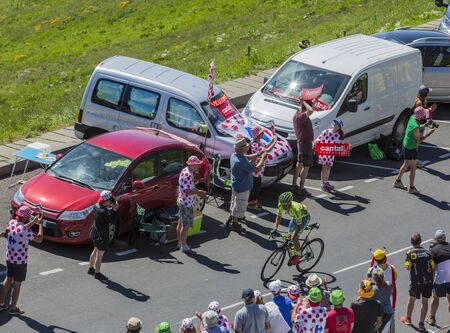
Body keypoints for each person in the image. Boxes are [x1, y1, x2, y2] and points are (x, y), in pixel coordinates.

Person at [0, 205, 43, 315]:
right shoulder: (25, 230)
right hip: (20, 262)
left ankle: (1, 304)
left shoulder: (12, 223)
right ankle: (13, 308)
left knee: (8, 279)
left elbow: (22, 228)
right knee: (17, 284)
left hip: (9, 258)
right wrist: (40, 225)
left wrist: (33, 222)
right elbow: (39, 239)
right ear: (26, 217)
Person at [393, 106, 436, 194]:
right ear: (421, 117)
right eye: (424, 115)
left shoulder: (413, 117)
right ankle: (411, 188)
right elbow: (418, 141)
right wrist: (429, 134)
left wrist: (426, 125)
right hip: (410, 148)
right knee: (413, 167)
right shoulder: (416, 129)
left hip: (405, 145)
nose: (425, 117)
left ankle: (397, 182)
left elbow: (418, 124)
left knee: (405, 164)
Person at [228, 137, 267, 231]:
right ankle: (235, 223)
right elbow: (256, 168)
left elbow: (247, 158)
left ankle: (232, 217)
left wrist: (258, 154)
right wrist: (263, 158)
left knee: (235, 202)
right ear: (242, 149)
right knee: (239, 205)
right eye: (246, 147)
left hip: (237, 185)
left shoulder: (235, 155)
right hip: (242, 187)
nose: (247, 148)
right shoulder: (241, 162)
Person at [400, 233, 434, 331]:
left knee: (412, 299)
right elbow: (432, 266)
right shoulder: (428, 252)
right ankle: (421, 324)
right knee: (425, 301)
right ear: (420, 241)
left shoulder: (410, 253)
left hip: (416, 282)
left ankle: (408, 318)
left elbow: (407, 267)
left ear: (411, 242)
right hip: (428, 281)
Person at [177, 155, 207, 253]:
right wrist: (199, 192)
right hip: (186, 203)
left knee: (181, 223)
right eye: (197, 165)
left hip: (182, 201)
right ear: (192, 165)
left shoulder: (186, 171)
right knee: (185, 226)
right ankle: (184, 246)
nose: (199, 166)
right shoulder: (188, 175)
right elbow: (188, 191)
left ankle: (180, 242)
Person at [272, 191, 310, 266]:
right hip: (295, 218)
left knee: (294, 238)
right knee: (288, 238)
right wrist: (275, 229)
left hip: (303, 218)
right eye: (282, 205)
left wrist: (295, 236)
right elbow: (279, 217)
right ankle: (293, 252)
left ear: (290, 203)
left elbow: (298, 227)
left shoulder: (296, 210)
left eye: (285, 205)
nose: (283, 207)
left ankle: (298, 255)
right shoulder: (281, 205)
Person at [88, 190, 118, 281]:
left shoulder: (96, 205)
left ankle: (91, 269)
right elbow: (112, 221)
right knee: (99, 255)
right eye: (110, 200)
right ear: (107, 201)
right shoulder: (104, 212)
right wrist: (114, 210)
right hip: (101, 235)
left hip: (95, 232)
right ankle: (97, 273)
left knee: (95, 250)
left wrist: (110, 208)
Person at [248, 125, 277, 210]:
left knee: (257, 186)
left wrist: (273, 133)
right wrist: (275, 140)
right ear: (258, 134)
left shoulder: (260, 142)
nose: (263, 133)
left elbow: (268, 145)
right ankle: (251, 202)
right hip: (256, 170)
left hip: (260, 169)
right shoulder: (255, 145)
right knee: (255, 187)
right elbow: (267, 150)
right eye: (262, 132)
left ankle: (253, 200)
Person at [292, 100, 315, 197]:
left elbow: (308, 109)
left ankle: (294, 185)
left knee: (300, 164)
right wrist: (304, 101)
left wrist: (313, 99)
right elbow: (311, 110)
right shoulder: (301, 116)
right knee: (305, 165)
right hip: (305, 144)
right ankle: (301, 188)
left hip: (303, 143)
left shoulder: (297, 114)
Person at [315, 119, 344, 192]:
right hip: (324, 153)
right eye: (334, 123)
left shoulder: (339, 136)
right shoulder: (326, 131)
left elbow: (338, 145)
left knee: (328, 168)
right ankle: (322, 183)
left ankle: (326, 182)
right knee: (324, 168)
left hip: (331, 154)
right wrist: (316, 144)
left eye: (336, 124)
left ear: (339, 127)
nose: (334, 125)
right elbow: (318, 139)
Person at [428, 229, 450, 326]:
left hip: (441, 281)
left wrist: (431, 282)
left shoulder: (433, 251)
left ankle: (432, 317)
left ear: (436, 240)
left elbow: (432, 268)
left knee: (435, 297)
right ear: (444, 238)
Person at [372, 268, 394, 333]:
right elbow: (391, 293)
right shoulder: (390, 284)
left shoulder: (373, 290)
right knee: (382, 330)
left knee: (375, 330)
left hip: (378, 314)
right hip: (388, 312)